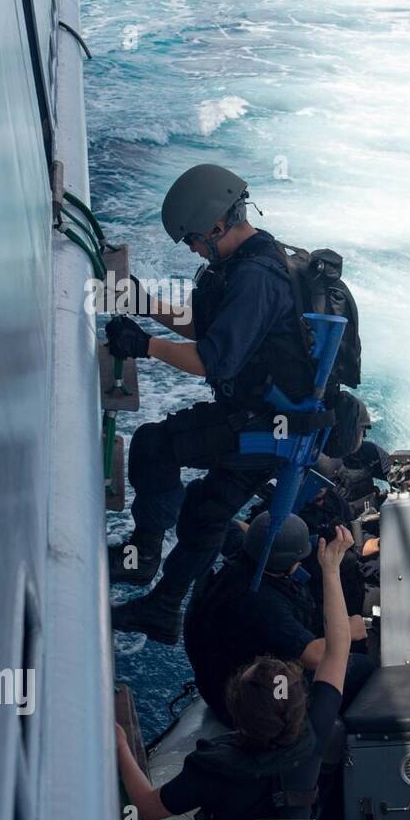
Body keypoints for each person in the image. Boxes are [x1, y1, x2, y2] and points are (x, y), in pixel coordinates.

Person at [105, 164, 325, 645]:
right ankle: (163, 610)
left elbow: (212, 359)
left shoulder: (256, 277)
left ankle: (142, 558)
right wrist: (146, 306)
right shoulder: (242, 262)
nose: (192, 250)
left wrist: (145, 346)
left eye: (193, 241)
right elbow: (209, 327)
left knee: (154, 446)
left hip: (267, 426)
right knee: (206, 512)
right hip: (274, 421)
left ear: (216, 226)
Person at [114, 524, 358, 820]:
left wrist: (122, 745)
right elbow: (338, 648)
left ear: (235, 708)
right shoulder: (310, 737)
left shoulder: (211, 768)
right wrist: (331, 569)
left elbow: (148, 807)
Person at [184, 512, 375, 724]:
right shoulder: (265, 604)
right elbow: (316, 656)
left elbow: (227, 522)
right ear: (288, 562)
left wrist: (270, 535)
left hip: (232, 675)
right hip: (249, 704)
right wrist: (350, 629)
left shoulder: (246, 554)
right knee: (362, 665)